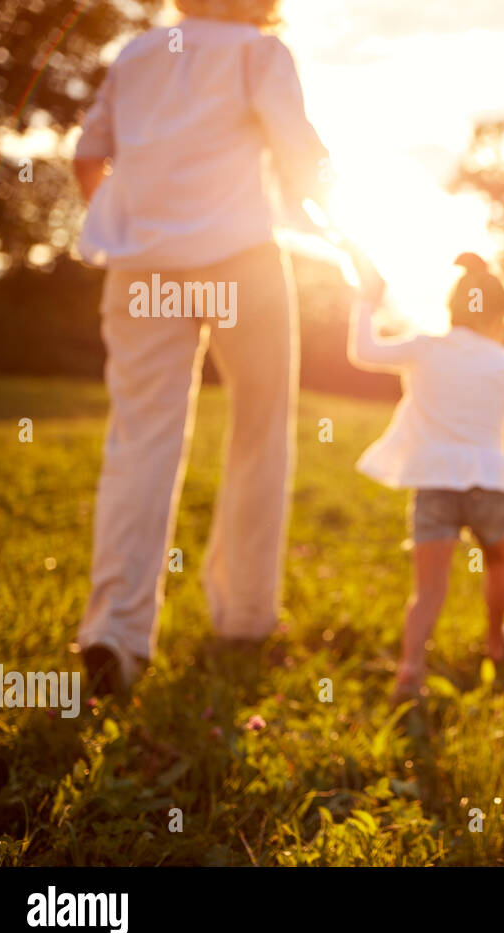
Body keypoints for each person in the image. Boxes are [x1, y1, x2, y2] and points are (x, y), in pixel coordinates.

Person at [72, 0, 332, 693]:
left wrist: (131, 222)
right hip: (239, 261)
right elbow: (302, 161)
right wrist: (349, 243)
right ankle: (245, 615)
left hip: (138, 270)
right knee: (258, 430)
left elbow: (89, 156)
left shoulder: (138, 54)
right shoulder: (259, 54)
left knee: (140, 439)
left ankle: (114, 633)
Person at [346, 250, 504, 706]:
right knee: (498, 563)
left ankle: (409, 670)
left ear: (453, 307)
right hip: (489, 486)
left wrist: (366, 299)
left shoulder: (425, 348)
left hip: (434, 484)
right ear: (502, 315)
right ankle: (497, 641)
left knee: (428, 589)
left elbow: (363, 351)